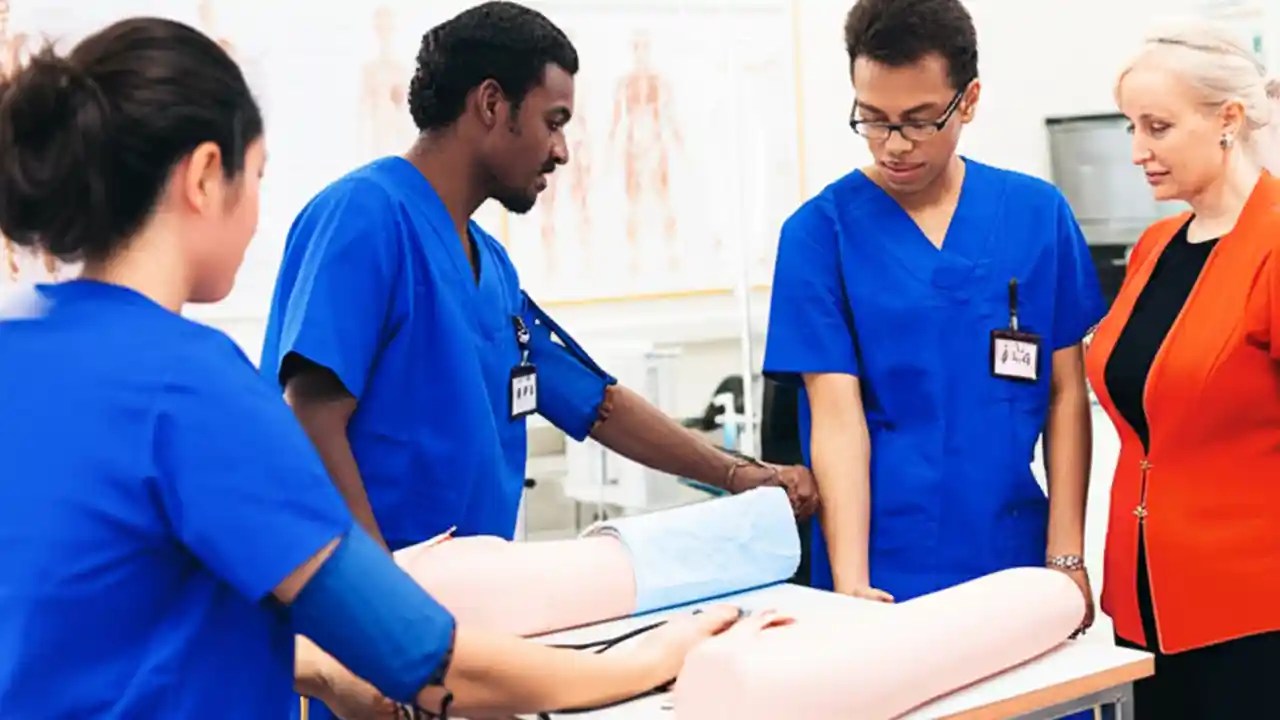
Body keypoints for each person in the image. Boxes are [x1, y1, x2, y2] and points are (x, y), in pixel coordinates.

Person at [0, 17, 766, 719]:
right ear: (206, 176)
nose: (262, 211)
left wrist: (320, 667)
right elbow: (417, 654)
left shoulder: (21, 356)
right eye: (258, 177)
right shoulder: (192, 381)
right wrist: (650, 658)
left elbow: (124, 604)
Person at [259, 1, 819, 555]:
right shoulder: (366, 215)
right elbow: (310, 412)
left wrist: (738, 474)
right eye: (553, 122)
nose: (562, 151)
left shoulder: (492, 268)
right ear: (491, 104)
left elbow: (597, 403)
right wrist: (378, 595)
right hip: (371, 605)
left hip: (465, 599)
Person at [762, 0, 1102, 627]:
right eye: (873, 119)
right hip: (884, 560)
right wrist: (852, 582)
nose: (894, 145)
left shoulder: (1036, 214)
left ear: (967, 101)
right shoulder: (819, 233)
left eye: (919, 121)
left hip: (1015, 556)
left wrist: (1066, 556)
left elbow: (1064, 394)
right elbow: (836, 419)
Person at [1085, 24, 1280, 719]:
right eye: (1131, 126)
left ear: (1227, 120)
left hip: (1253, 614)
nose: (1137, 151)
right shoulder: (1155, 246)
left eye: (1158, 127)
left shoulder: (1274, 246)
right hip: (1143, 597)